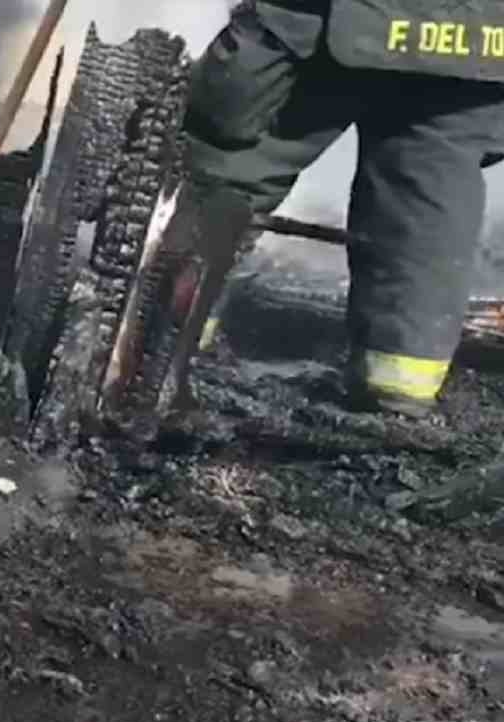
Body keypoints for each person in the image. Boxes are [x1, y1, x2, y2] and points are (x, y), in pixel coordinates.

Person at [158, 0, 504, 417]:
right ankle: (398, 383)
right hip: (478, 39)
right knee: (427, 200)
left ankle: (159, 332)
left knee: (233, 159)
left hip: (325, 24)